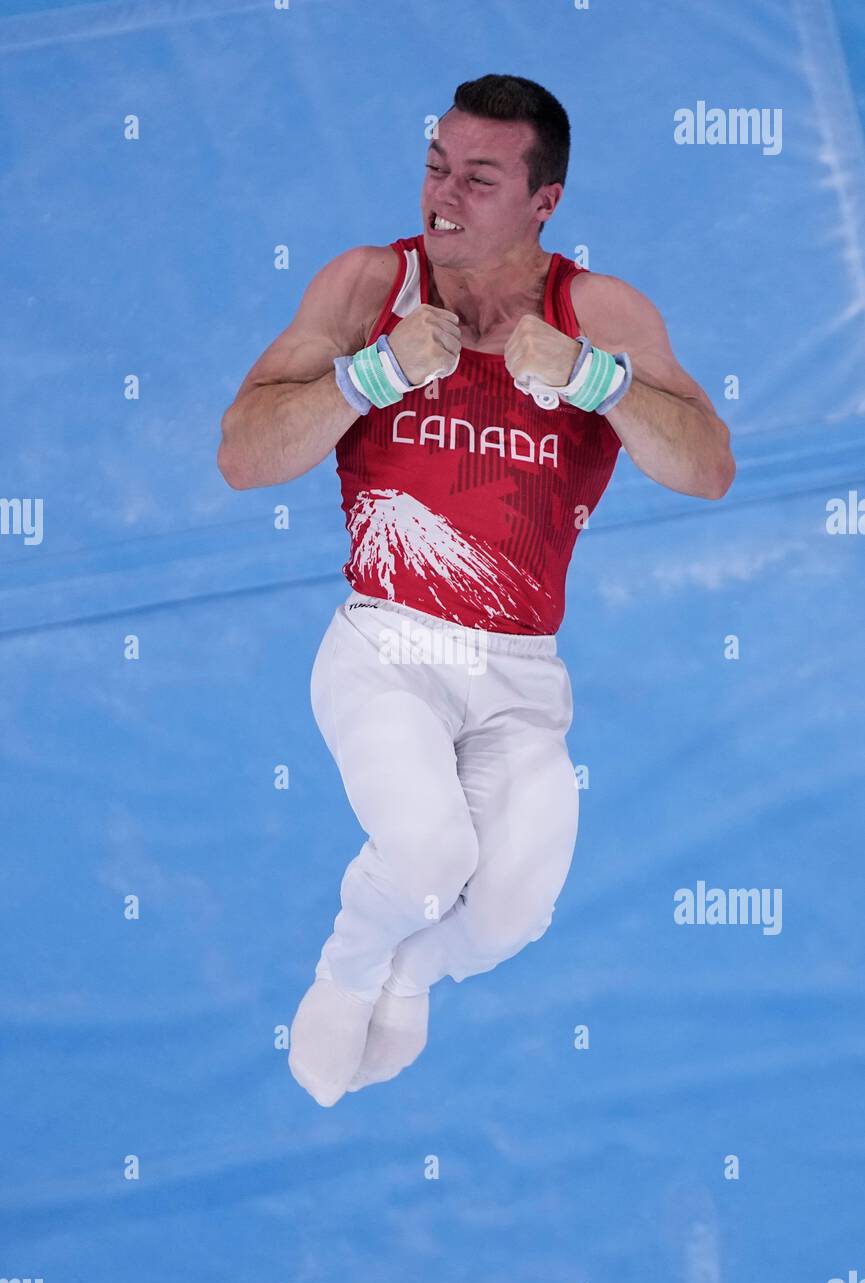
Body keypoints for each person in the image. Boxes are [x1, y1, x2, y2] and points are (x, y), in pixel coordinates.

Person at [217, 74, 735, 1107]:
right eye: (434, 165)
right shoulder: (371, 286)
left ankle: (408, 974)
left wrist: (598, 381)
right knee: (425, 852)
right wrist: (370, 375)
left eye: (479, 178)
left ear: (544, 203)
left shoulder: (599, 312)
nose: (441, 194)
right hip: (385, 646)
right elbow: (244, 454)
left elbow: (707, 467)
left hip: (519, 674)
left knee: (509, 914)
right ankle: (347, 970)